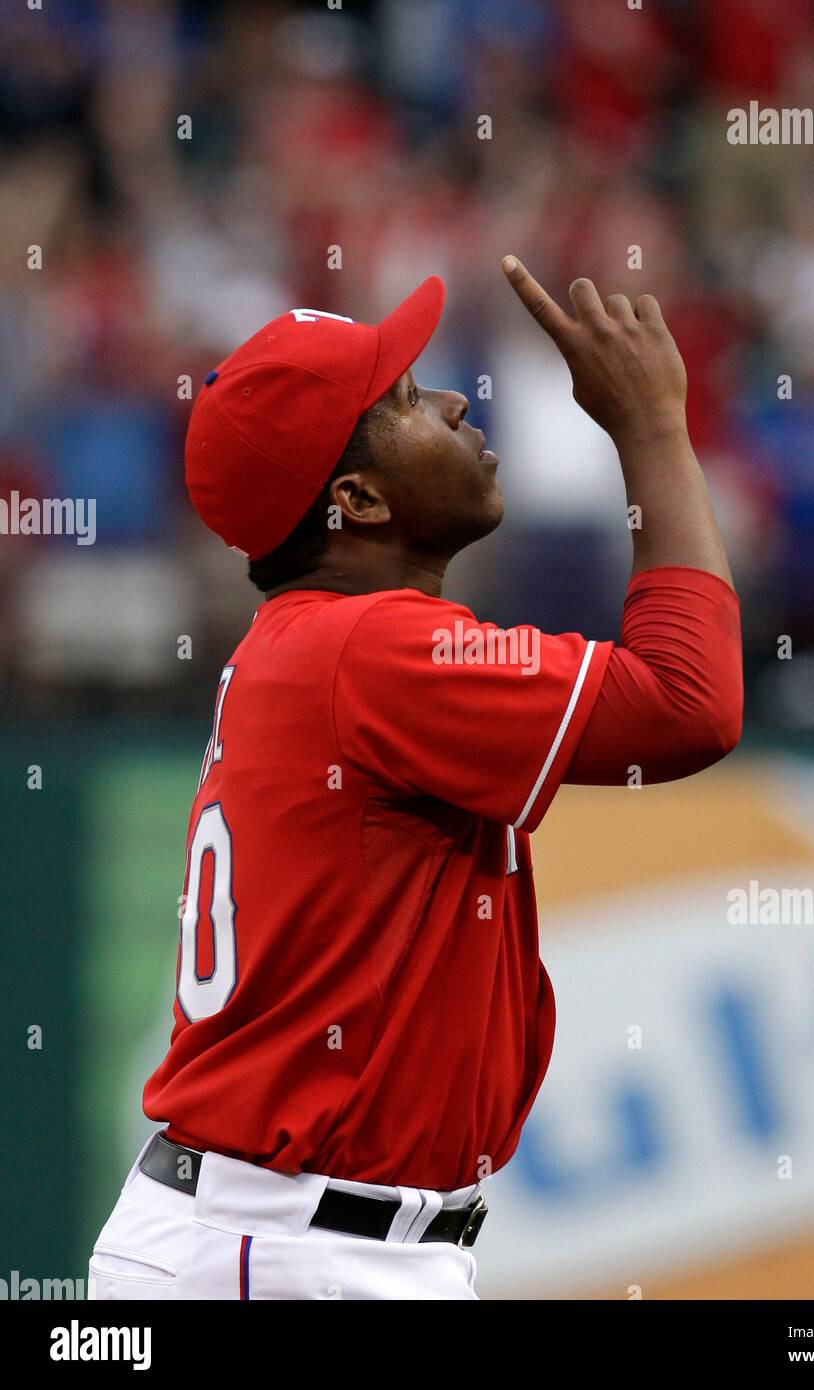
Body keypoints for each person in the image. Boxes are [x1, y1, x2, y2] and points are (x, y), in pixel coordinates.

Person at [87, 258, 742, 1301]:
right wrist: (654, 427)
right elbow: (689, 703)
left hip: (288, 1236)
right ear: (354, 499)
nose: (452, 400)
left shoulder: (317, 643)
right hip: (282, 1246)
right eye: (402, 400)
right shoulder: (369, 648)